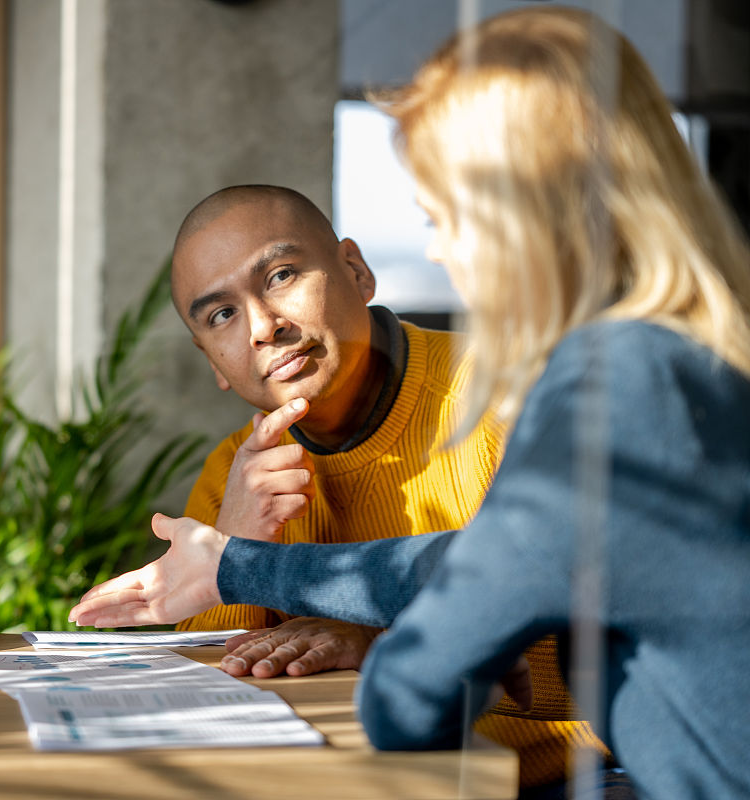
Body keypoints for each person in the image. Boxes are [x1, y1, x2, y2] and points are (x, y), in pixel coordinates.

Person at [71, 6, 750, 799]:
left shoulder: (588, 388)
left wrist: (377, 632)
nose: (436, 248)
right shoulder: (686, 359)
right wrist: (240, 556)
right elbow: (468, 575)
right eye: (220, 314)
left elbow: (456, 650)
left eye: (443, 214)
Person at [169, 186, 608, 793]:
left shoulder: (510, 397)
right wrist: (238, 544)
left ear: (356, 271)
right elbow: (206, 702)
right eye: (222, 315)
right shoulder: (234, 475)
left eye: (281, 275)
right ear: (213, 361)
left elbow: (609, 642)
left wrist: (389, 641)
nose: (263, 328)